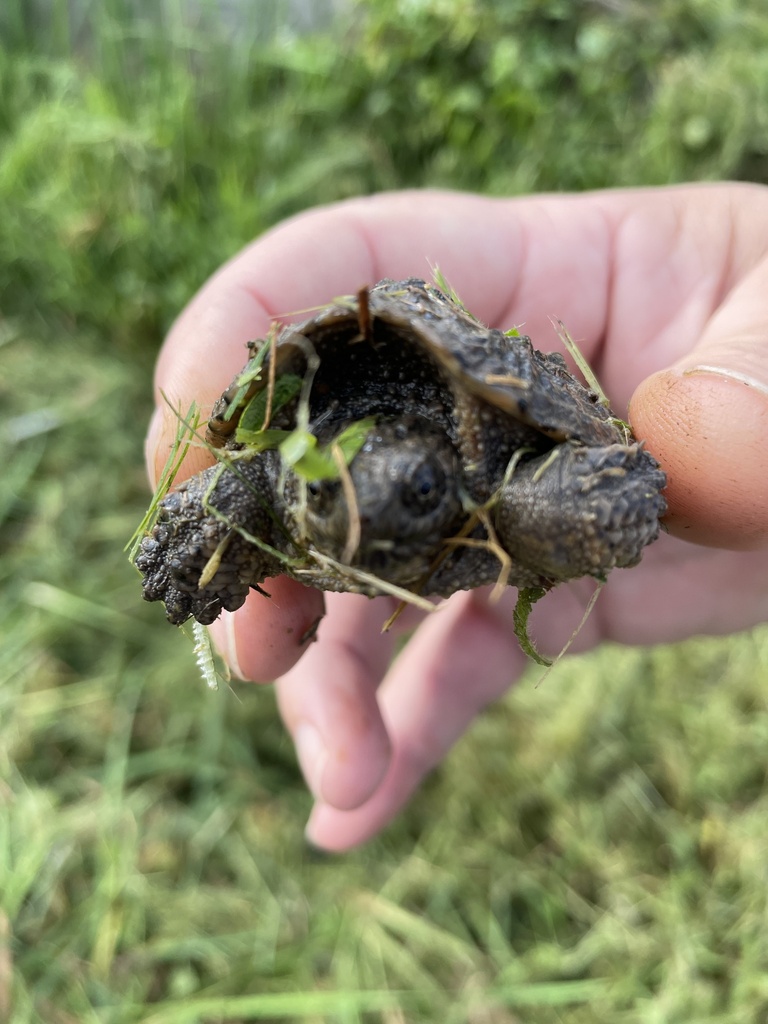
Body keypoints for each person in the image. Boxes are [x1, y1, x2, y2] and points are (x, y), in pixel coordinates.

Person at [145, 184, 768, 851]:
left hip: (509, 467)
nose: (378, 517)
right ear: (307, 481)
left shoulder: (514, 493)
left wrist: (643, 491)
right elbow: (228, 494)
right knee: (222, 507)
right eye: (331, 496)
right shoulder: (269, 478)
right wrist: (190, 555)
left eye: (415, 492)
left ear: (452, 477)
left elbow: (632, 489)